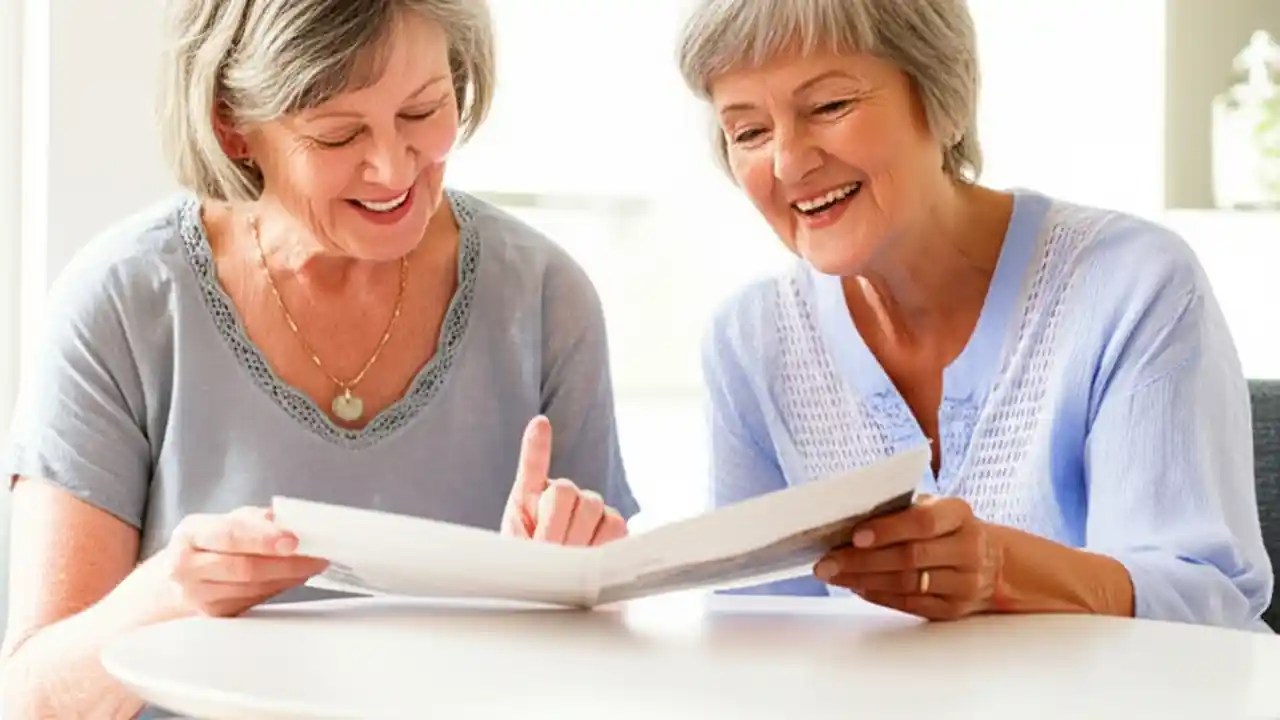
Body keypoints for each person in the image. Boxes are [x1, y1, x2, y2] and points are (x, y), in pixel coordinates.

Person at [0, 1, 636, 717]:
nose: (393, 167)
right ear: (233, 128)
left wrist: (554, 598)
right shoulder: (120, 306)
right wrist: (171, 593)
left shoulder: (545, 298)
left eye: (424, 110)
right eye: (338, 135)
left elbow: (607, 678)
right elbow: (33, 700)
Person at [676, 0, 1273, 630]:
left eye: (829, 107)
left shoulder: (1130, 284)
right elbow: (758, 633)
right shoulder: (750, 341)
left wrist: (1000, 569)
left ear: (943, 100)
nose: (788, 164)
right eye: (748, 132)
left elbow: (1208, 608)